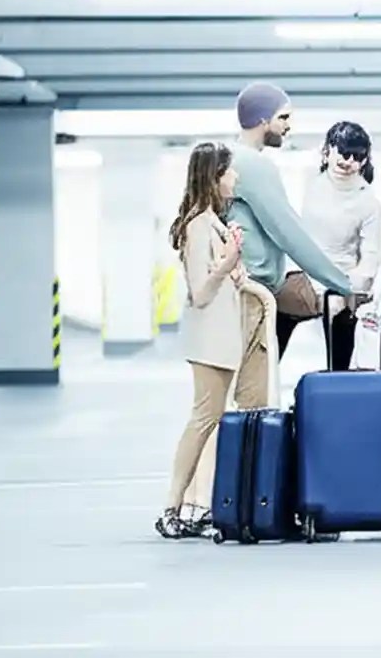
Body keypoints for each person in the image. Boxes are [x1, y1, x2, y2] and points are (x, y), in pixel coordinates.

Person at [223, 82, 355, 388]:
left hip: (241, 290)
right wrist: (342, 283)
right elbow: (287, 232)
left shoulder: (231, 159)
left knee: (239, 390)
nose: (288, 126)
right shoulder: (252, 164)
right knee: (253, 393)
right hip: (252, 295)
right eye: (283, 118)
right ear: (261, 120)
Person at [156, 142, 245, 539]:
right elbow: (200, 291)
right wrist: (226, 263)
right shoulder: (197, 225)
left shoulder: (213, 223)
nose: (235, 178)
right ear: (214, 177)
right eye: (230, 172)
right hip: (209, 341)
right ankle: (171, 508)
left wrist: (233, 263)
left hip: (222, 340)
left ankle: (190, 507)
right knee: (202, 420)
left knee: (209, 421)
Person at [285, 121, 381, 368]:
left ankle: (337, 391)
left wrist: (350, 288)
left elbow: (370, 256)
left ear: (364, 161)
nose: (348, 160)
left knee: (338, 363)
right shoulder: (308, 181)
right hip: (301, 280)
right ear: (327, 151)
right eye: (342, 152)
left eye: (356, 156)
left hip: (341, 283)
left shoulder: (368, 202)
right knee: (270, 331)